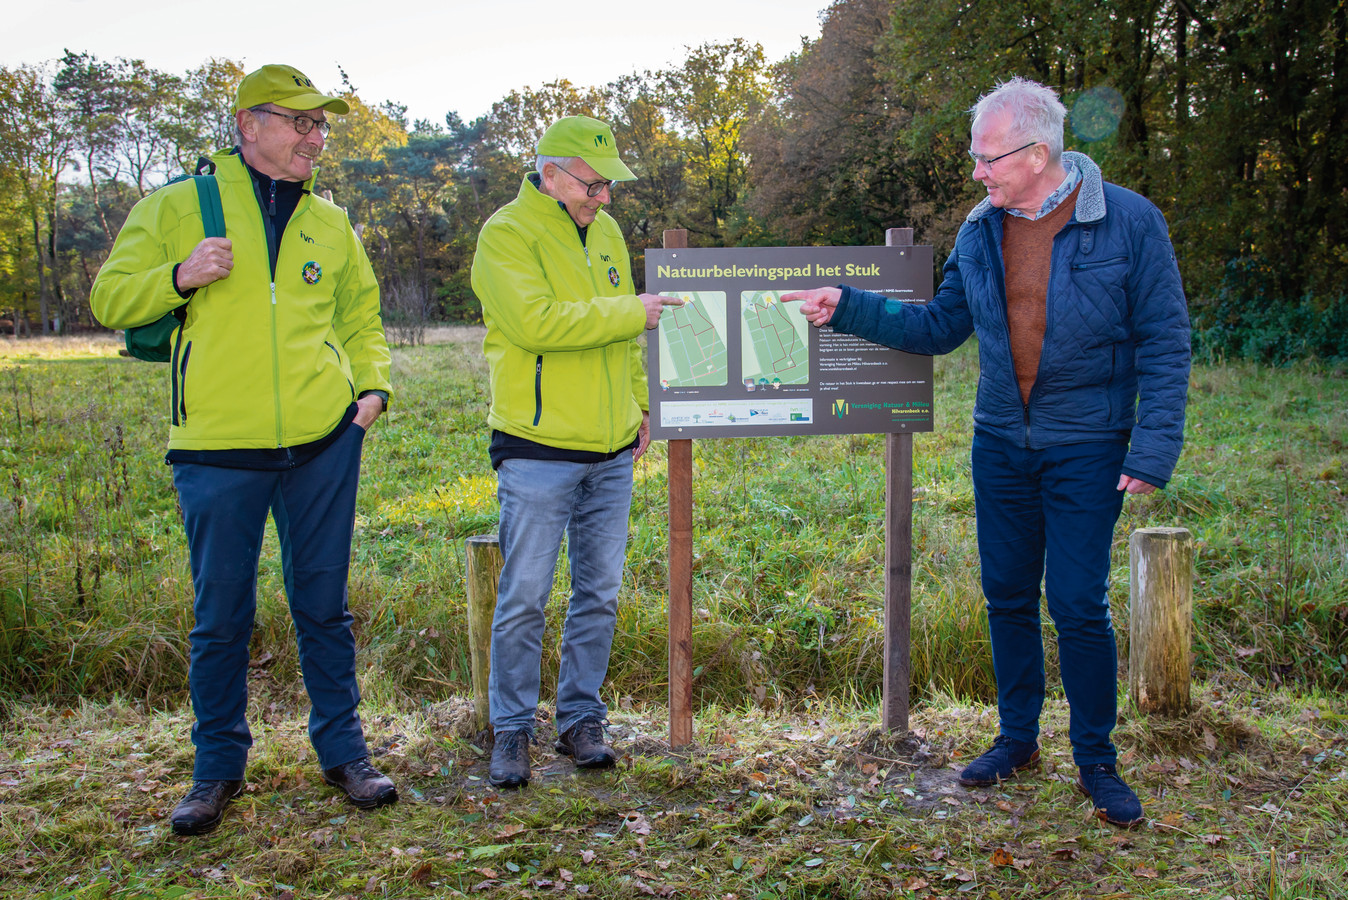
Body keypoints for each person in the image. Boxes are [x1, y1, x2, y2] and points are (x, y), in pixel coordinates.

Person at [783, 77, 1190, 827]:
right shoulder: (980, 230)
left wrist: (1153, 445)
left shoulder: (1129, 222)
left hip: (1090, 445)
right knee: (1006, 595)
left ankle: (1097, 759)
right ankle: (1017, 739)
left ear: (1036, 153)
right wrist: (847, 305)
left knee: (1075, 602)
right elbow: (940, 326)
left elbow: (1167, 340)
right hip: (1001, 442)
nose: (977, 171)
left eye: (987, 157)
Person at [90, 64, 396, 835]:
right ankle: (217, 768)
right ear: (247, 125)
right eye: (299, 122)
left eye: (320, 125)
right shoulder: (173, 207)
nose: (314, 137)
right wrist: (179, 275)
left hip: (324, 442)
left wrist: (371, 394)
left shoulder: (333, 221)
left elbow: (362, 318)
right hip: (217, 448)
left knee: (323, 608)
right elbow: (109, 298)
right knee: (221, 614)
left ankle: (345, 753)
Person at [470, 116, 683, 788]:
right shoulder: (506, 234)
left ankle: (580, 720)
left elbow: (624, 336)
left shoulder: (609, 233)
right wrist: (632, 313)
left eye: (610, 184)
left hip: (611, 449)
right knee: (525, 594)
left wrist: (640, 404)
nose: (606, 197)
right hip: (537, 450)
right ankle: (510, 730)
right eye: (595, 183)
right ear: (552, 173)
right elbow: (536, 323)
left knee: (599, 592)